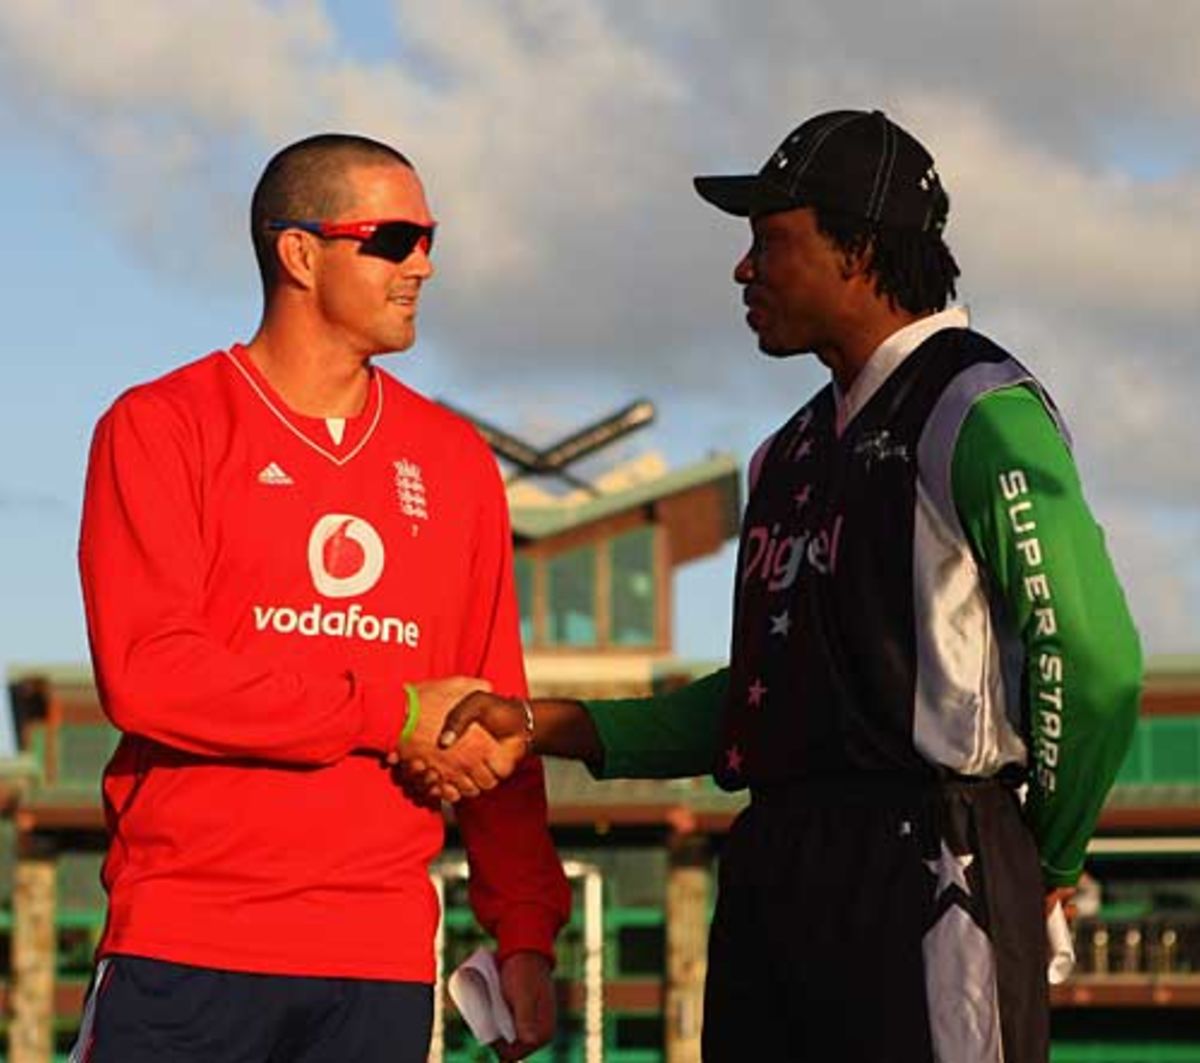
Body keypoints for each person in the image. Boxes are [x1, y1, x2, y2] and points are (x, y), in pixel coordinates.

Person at [435, 109, 1142, 1062]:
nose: (743, 268)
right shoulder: (787, 454)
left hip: (933, 862)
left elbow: (1091, 661)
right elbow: (764, 700)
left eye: (772, 240)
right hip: (777, 869)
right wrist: (541, 722)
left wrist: (1045, 858)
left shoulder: (979, 410)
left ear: (857, 251)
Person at [75, 133, 569, 1063]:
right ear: (298, 252)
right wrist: (390, 711)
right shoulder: (161, 426)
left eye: (429, 238)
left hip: (376, 961)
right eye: (391, 237)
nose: (421, 262)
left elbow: (490, 716)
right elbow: (150, 678)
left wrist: (525, 928)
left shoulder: (455, 462)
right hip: (187, 944)